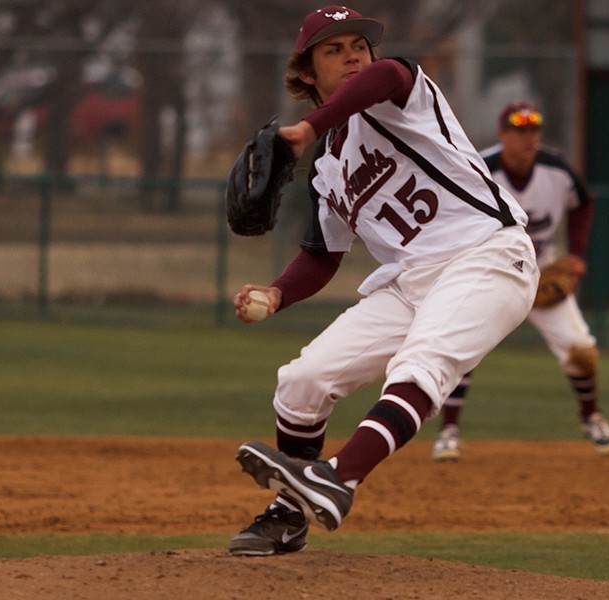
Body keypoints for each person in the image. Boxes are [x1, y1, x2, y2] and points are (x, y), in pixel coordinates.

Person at [227, 6, 538, 557]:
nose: (352, 56)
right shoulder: (327, 163)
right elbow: (321, 255)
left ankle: (337, 477)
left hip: (487, 255)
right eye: (333, 49)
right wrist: (277, 292)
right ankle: (289, 514)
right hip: (411, 282)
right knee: (302, 382)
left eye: (358, 46)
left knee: (421, 364)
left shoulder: (397, 96)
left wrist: (307, 126)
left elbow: (389, 73)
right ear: (306, 73)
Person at [431, 101, 609, 462]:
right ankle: (449, 431)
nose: (527, 138)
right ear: (502, 134)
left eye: (533, 130)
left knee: (580, 348)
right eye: (519, 131)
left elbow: (583, 203)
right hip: (490, 269)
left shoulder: (557, 169)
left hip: (541, 269)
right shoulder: (480, 169)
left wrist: (577, 253)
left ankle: (591, 418)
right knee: (465, 346)